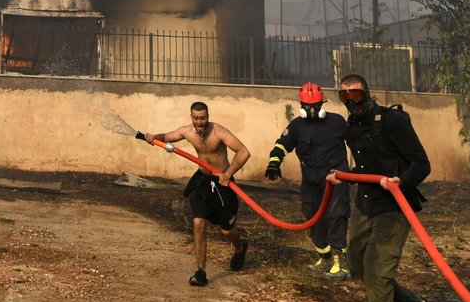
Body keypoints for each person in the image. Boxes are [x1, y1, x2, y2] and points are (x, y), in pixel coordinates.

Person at [325, 74, 430, 302]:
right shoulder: (351, 128)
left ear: (368, 93)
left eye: (356, 94)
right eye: (345, 95)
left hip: (394, 206)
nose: (351, 101)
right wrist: (342, 176)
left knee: (376, 271)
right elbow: (365, 167)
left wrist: (400, 181)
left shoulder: (392, 120)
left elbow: (422, 164)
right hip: (365, 204)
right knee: (358, 265)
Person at [137, 101, 251, 287]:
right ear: (191, 117)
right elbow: (167, 136)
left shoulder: (219, 132)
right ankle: (201, 272)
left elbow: (244, 152)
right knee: (198, 222)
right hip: (202, 182)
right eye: (196, 118)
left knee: (227, 230)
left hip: (223, 183)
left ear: (208, 116)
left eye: (203, 118)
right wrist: (153, 137)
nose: (200, 122)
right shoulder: (187, 131)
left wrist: (228, 174)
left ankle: (240, 248)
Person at [264, 82, 351, 279]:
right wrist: (274, 163)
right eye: (307, 106)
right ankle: (325, 257)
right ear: (301, 105)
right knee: (311, 215)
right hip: (311, 180)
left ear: (322, 104)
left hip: (336, 179)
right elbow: (282, 145)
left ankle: (341, 263)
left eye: (315, 106)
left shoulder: (337, 122)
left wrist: (357, 171)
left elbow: (356, 141)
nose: (311, 110)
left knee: (337, 214)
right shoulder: (296, 126)